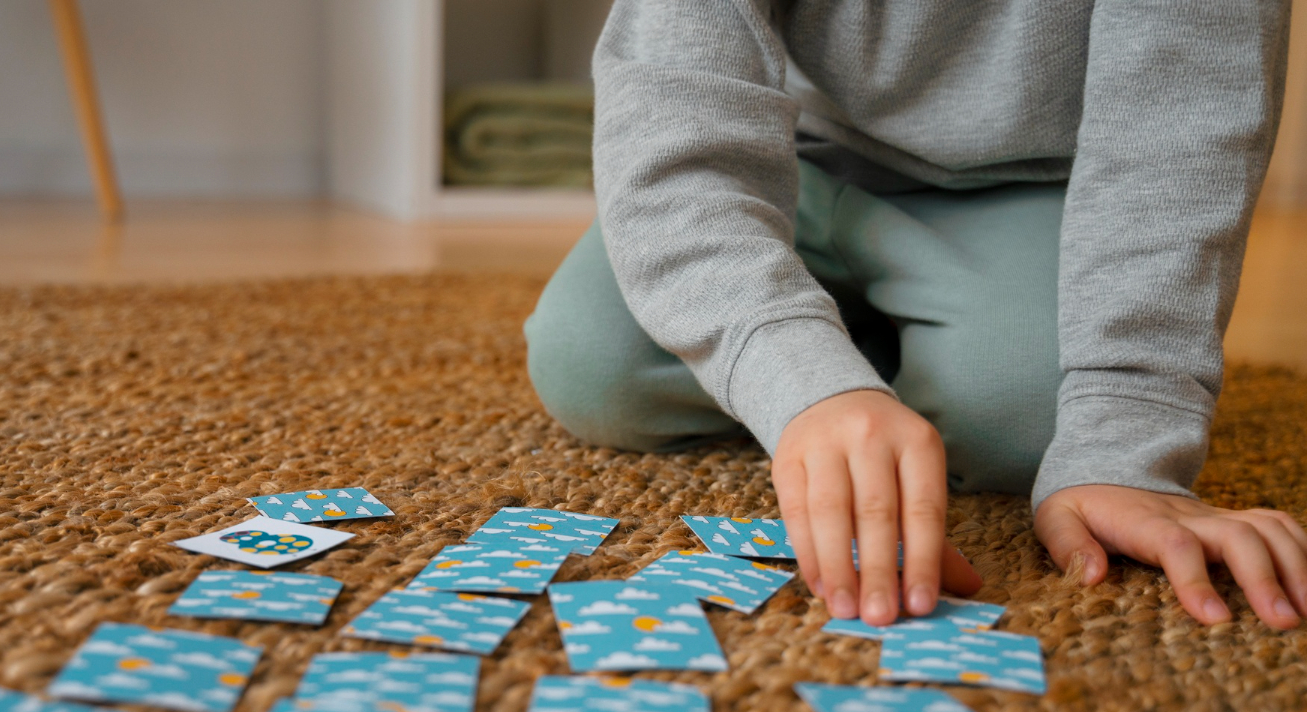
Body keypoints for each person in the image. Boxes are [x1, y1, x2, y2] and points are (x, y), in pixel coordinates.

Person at [524, 0, 1307, 629]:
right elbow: (670, 118)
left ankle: (887, 349)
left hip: (1028, 188)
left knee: (1028, 415)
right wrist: (807, 383)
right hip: (788, 163)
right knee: (589, 361)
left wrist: (1129, 437)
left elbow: (1180, 135)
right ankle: (861, 355)